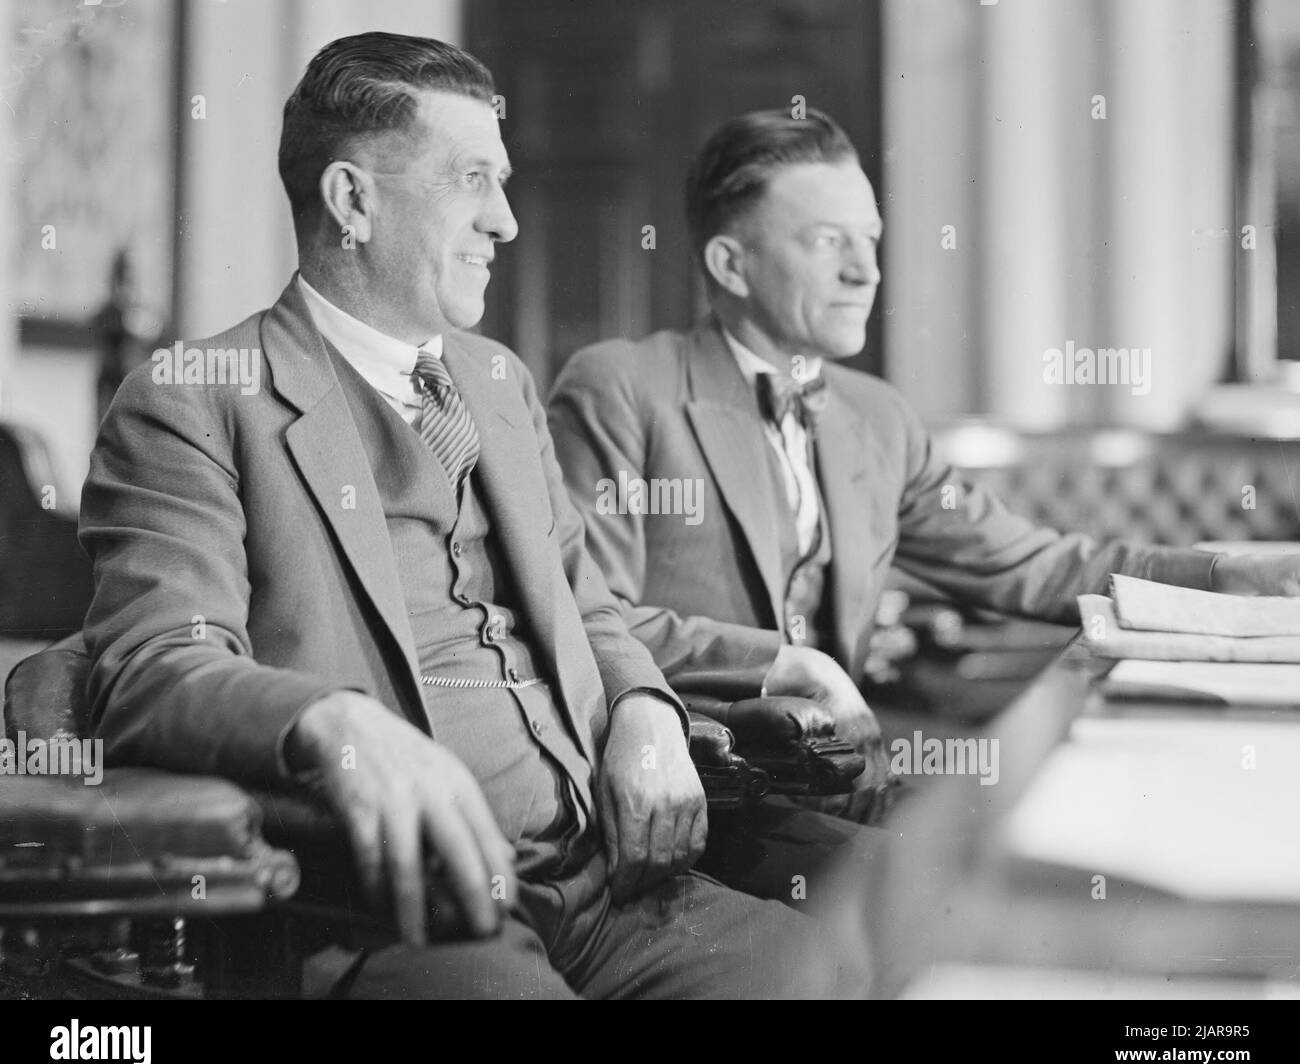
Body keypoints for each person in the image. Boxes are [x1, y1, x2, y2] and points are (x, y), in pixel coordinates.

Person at [78, 36, 866, 999]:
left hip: (607, 882)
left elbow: (590, 605)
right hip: (404, 914)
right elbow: (151, 669)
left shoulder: (497, 381)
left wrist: (645, 708)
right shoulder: (194, 400)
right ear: (352, 201)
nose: (506, 220)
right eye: (473, 181)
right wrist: (337, 726)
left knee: (840, 974)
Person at [546, 107, 1300, 818]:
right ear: (732, 265)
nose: (867, 272)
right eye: (826, 241)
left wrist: (1220, 575)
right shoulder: (622, 387)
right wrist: (782, 661)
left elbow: (1034, 564)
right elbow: (589, 615)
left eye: (870, 239)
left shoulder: (876, 416)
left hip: (839, 781)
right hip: (702, 789)